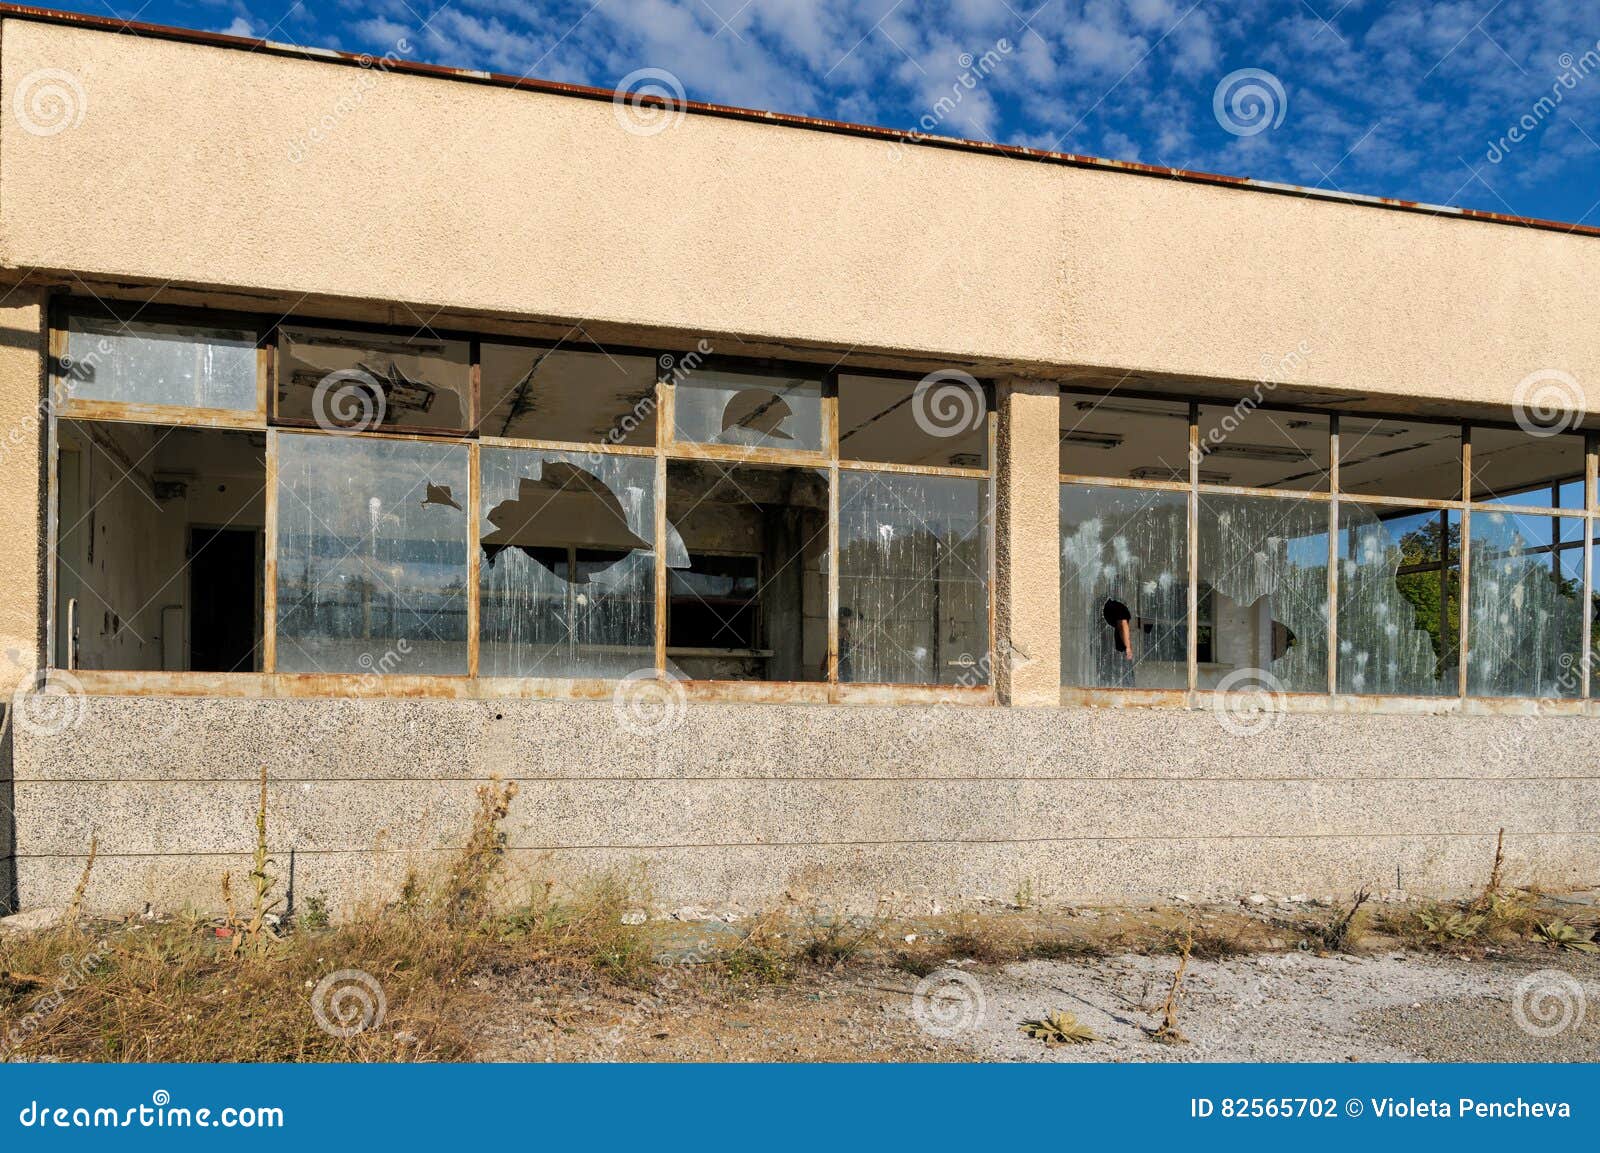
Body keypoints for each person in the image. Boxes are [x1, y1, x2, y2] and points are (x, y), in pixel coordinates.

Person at [1101, 598, 1135, 686]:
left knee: (1106, 681)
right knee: (1124, 681)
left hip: (1104, 652)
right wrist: (1128, 647)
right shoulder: (1119, 605)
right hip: (1117, 652)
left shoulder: (1103, 603)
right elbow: (1122, 625)